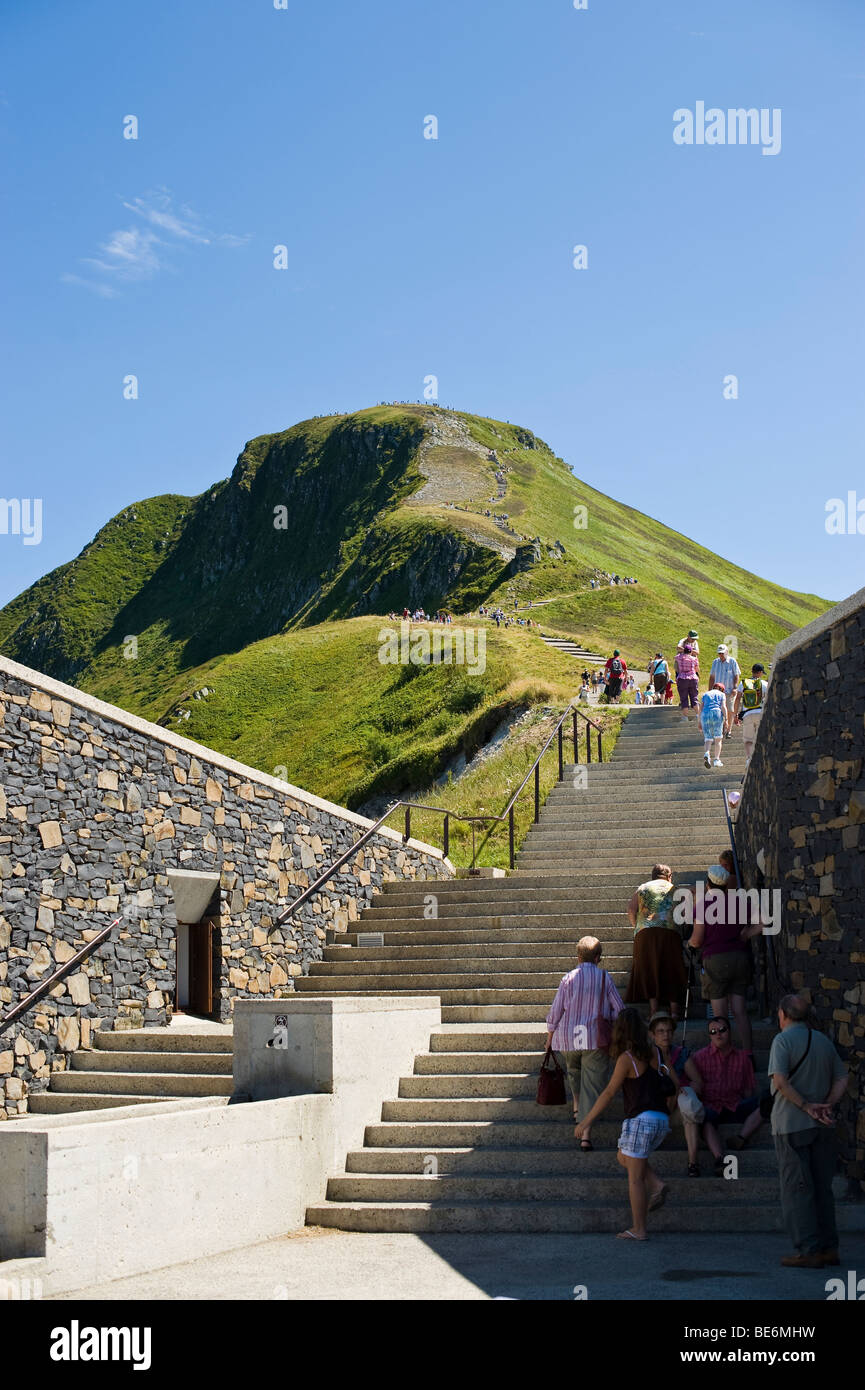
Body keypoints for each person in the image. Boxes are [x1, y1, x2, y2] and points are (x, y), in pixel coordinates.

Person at [575, 1008, 675, 1240]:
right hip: (660, 1119)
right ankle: (658, 1184)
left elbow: (609, 1093)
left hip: (641, 1120)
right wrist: (667, 1111)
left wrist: (585, 1121)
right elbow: (673, 1083)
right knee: (623, 1156)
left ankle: (639, 1229)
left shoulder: (627, 1058)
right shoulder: (657, 1052)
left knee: (635, 1179)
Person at [768, 994, 848, 1268]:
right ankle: (829, 1247)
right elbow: (842, 1077)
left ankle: (808, 1249)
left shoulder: (782, 1041)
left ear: (783, 1014)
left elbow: (780, 1081)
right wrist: (827, 1105)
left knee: (797, 1189)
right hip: (822, 1127)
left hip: (791, 1125)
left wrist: (806, 1106)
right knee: (822, 1189)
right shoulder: (823, 1041)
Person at [545, 936, 624, 1150]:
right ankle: (585, 1133)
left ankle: (577, 1107)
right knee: (592, 1084)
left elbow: (556, 1010)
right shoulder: (603, 978)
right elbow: (620, 1008)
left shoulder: (567, 979)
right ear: (598, 957)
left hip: (568, 1038)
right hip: (594, 1038)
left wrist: (550, 1036)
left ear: (578, 957)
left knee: (574, 1070)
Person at [686, 864, 764, 1054]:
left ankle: (724, 1055)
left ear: (708, 884)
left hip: (715, 960)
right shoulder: (740, 902)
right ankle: (748, 1054)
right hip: (740, 957)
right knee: (740, 1011)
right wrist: (745, 935)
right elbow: (762, 922)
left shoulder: (703, 905)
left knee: (720, 1015)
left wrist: (690, 943)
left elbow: (696, 940)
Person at [684, 1017, 762, 1173]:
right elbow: (691, 1085)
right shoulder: (699, 1057)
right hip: (711, 1106)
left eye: (722, 1030)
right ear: (709, 1035)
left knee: (767, 1102)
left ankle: (741, 1138)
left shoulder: (743, 1058)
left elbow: (748, 1090)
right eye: (713, 1032)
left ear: (730, 1031)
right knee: (704, 1118)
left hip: (734, 1104)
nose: (718, 1034)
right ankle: (720, 1158)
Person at [625, 864, 687, 1021]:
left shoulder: (642, 888)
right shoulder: (675, 888)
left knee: (649, 969)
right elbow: (685, 913)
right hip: (669, 933)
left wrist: (637, 927)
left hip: (645, 934)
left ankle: (654, 1010)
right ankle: (674, 1011)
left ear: (653, 875)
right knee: (672, 968)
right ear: (669, 876)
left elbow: (631, 910)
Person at [649, 1012, 704, 1176]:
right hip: (656, 1110)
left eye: (669, 1031)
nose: (666, 1035)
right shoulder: (647, 1056)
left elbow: (698, 1083)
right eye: (660, 1031)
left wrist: (679, 1090)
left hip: (679, 1108)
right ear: (652, 1035)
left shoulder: (680, 1053)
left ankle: (693, 1162)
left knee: (688, 1103)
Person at [734, 663, 769, 764]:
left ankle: (749, 759)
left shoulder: (743, 683)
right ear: (761, 673)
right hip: (760, 713)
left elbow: (737, 699)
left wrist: (736, 715)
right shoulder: (764, 684)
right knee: (761, 737)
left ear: (752, 672)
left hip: (747, 714)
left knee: (748, 740)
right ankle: (762, 757)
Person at [709, 644, 741, 737]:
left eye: (723, 653)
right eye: (719, 653)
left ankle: (729, 730)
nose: (721, 655)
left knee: (730, 710)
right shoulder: (715, 662)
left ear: (727, 652)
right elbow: (712, 677)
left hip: (729, 690)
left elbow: (736, 675)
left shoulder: (732, 661)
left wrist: (735, 687)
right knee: (718, 710)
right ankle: (722, 728)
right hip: (717, 691)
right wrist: (709, 690)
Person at [699, 680, 727, 768]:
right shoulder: (722, 694)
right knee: (718, 739)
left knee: (708, 738)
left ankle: (707, 753)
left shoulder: (706, 694)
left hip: (705, 714)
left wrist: (699, 721)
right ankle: (716, 760)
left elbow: (700, 708)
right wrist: (726, 719)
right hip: (716, 713)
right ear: (721, 689)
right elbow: (723, 706)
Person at [675, 641, 700, 721]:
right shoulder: (694, 659)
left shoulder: (679, 657)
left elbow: (675, 657)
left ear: (684, 650)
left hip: (682, 679)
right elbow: (697, 669)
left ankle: (685, 717)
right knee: (694, 698)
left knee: (684, 698)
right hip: (693, 678)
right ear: (691, 651)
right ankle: (698, 715)